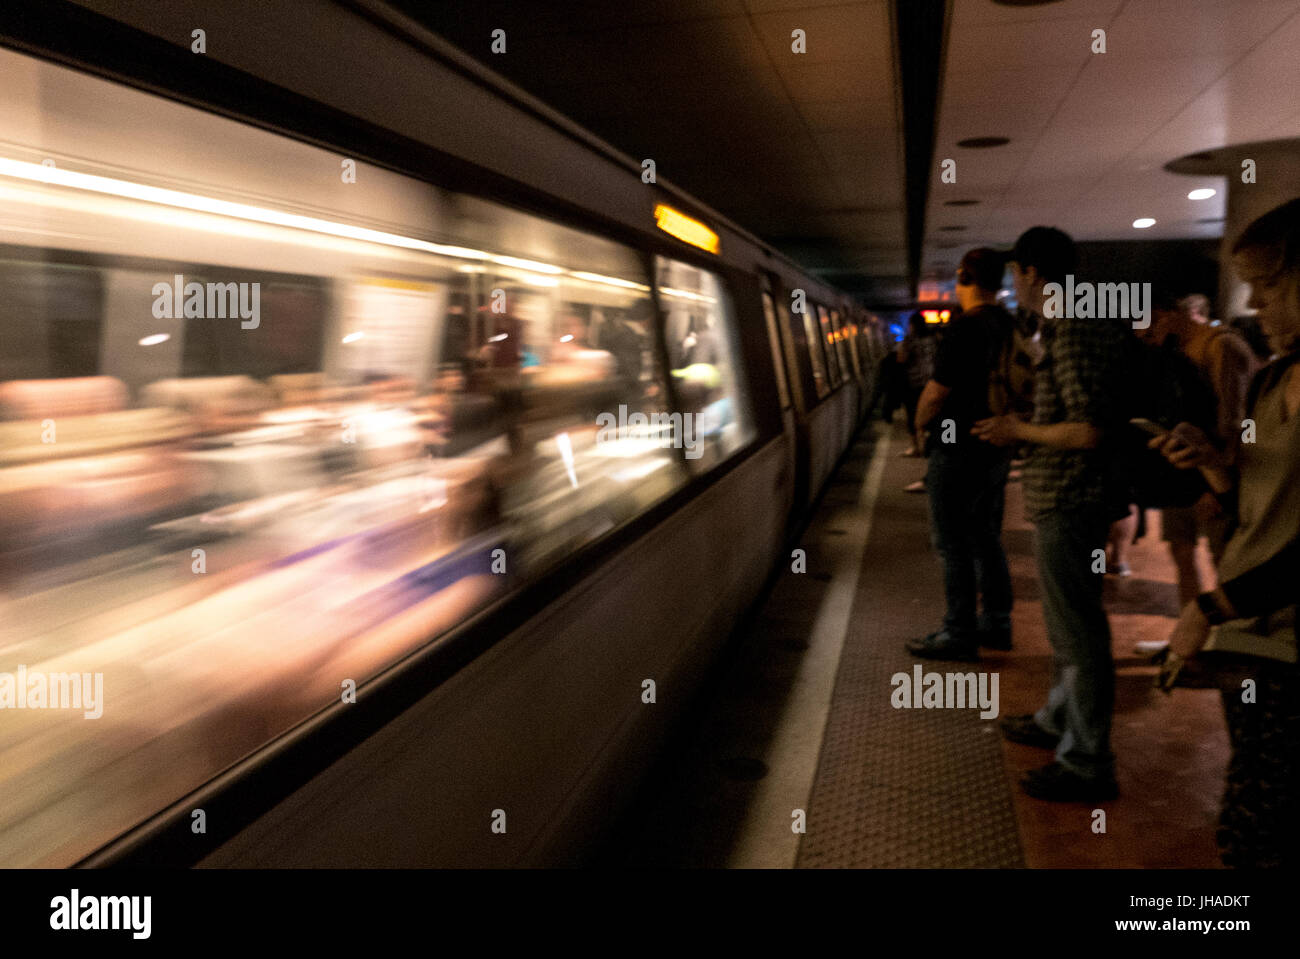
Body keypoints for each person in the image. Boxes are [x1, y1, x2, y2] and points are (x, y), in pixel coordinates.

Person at [1151, 197, 1300, 868]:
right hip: (1257, 641)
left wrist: (1211, 605)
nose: (1253, 302)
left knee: (1258, 838)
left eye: (1267, 284)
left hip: (1287, 640)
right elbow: (1259, 506)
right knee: (1250, 817)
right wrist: (1213, 468)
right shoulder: (1272, 380)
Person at [972, 226, 1131, 802]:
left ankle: (1088, 761)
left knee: (1079, 635)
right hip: (1067, 497)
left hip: (1072, 499)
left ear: (1033, 273)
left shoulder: (1077, 327)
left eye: (1017, 274)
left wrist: (1018, 429)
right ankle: (1057, 722)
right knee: (1071, 633)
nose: (1014, 284)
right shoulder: (1070, 323)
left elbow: (1089, 430)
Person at [906, 249, 1017, 661]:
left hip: (957, 449)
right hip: (997, 445)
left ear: (964, 278)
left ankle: (959, 631)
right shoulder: (1009, 324)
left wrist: (919, 425)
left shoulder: (964, 328)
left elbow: (937, 393)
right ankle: (997, 622)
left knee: (952, 543)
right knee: (987, 536)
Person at [1140, 292, 1258, 608]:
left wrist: (1215, 484)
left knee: (1225, 558)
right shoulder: (1178, 351)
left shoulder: (1219, 345)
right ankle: (1189, 634)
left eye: (1150, 324)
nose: (1146, 334)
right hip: (1185, 472)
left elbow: (1234, 423)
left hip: (1216, 478)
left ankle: (1226, 637)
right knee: (1181, 549)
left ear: (1168, 313)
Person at [897, 312, 936, 456]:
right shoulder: (933, 339)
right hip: (932, 382)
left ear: (912, 325)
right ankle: (932, 444)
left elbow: (901, 359)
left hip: (913, 383)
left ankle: (916, 447)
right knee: (932, 414)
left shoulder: (909, 340)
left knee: (913, 415)